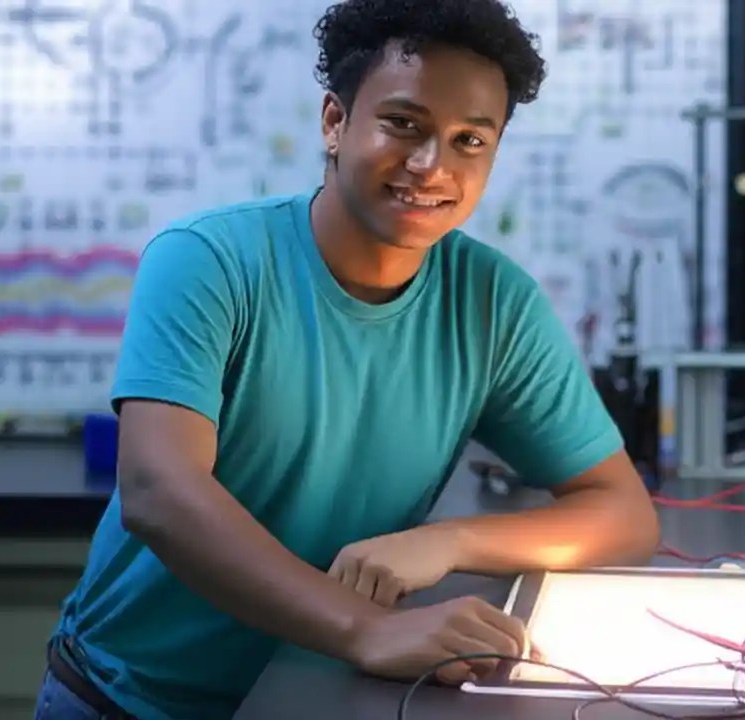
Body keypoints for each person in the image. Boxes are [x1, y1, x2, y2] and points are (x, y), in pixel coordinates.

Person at [33, 0, 661, 718]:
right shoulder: (208, 261)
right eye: (404, 125)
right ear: (335, 122)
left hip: (315, 697)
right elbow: (158, 492)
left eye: (469, 141)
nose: (431, 166)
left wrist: (447, 542)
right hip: (132, 700)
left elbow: (622, 515)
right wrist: (371, 629)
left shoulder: (494, 302)